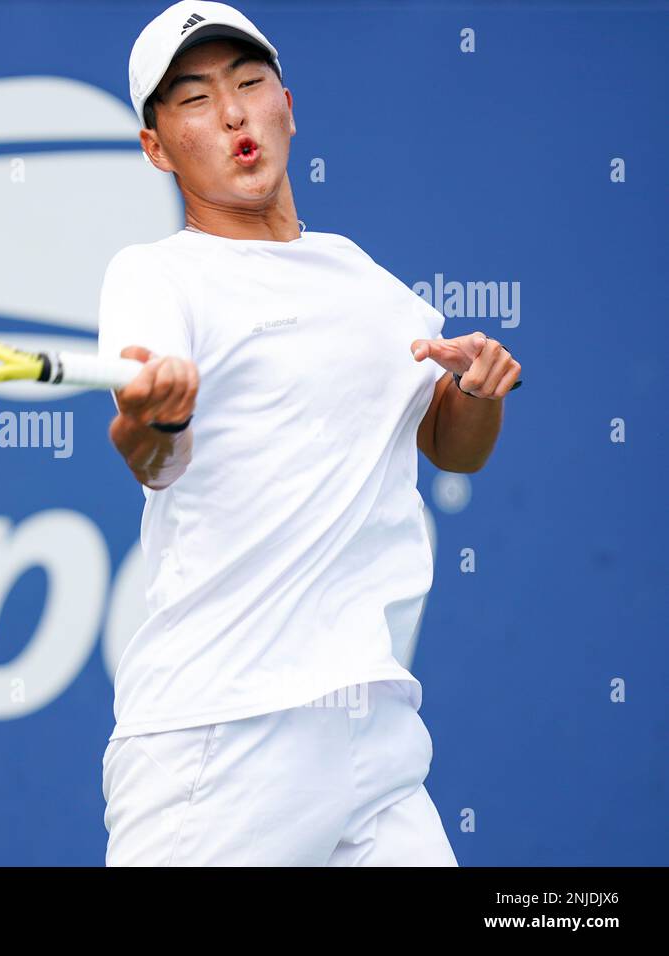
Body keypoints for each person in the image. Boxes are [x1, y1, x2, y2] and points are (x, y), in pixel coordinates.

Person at [98, 1, 522, 866]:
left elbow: (451, 446)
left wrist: (478, 390)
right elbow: (152, 456)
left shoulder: (365, 281)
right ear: (154, 147)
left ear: (287, 106)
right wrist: (158, 414)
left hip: (377, 734)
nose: (231, 113)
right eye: (192, 100)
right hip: (219, 740)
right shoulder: (155, 277)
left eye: (249, 85)